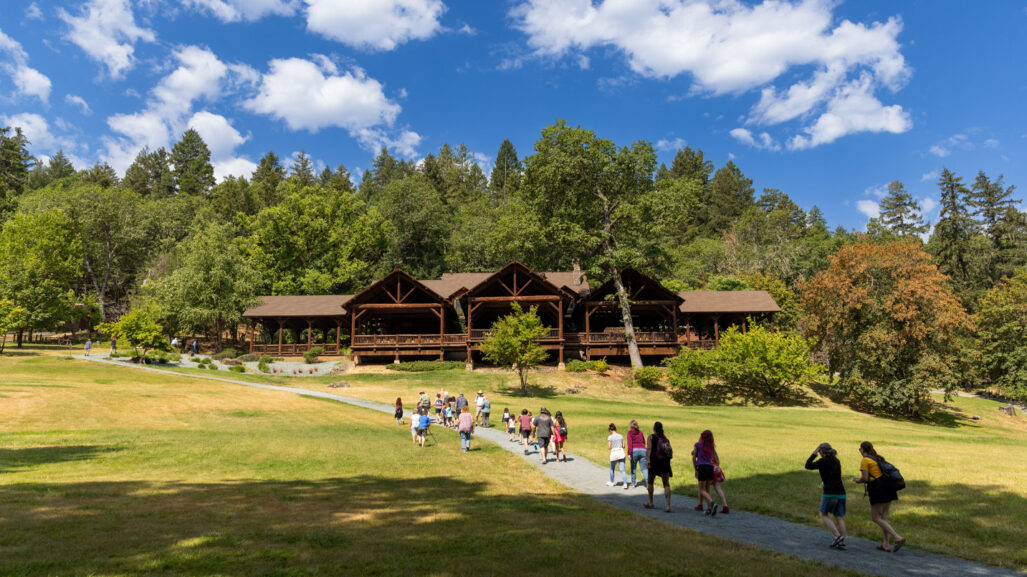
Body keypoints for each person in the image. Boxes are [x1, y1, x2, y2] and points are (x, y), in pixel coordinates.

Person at [854, 441, 905, 552]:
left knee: (875, 518)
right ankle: (886, 544)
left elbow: (865, 478)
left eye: (860, 448)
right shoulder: (878, 458)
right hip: (889, 488)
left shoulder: (865, 460)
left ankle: (898, 538)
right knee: (883, 518)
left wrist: (858, 480)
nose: (859, 450)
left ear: (863, 449)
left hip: (878, 490)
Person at [806, 442, 847, 550]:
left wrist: (814, 453)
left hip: (830, 493)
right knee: (839, 517)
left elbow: (808, 465)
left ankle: (837, 535)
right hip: (841, 492)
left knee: (823, 514)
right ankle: (842, 542)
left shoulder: (823, 461)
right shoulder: (836, 461)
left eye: (819, 451)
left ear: (821, 452)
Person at [644, 421, 673, 512]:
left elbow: (649, 449)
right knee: (666, 483)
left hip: (654, 461)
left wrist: (648, 461)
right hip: (665, 462)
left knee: (650, 481)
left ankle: (650, 502)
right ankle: (668, 506)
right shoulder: (665, 438)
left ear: (654, 429)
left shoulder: (651, 437)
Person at [692, 430, 719, 515]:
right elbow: (714, 458)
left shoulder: (697, 445)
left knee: (701, 490)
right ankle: (709, 509)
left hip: (702, 468)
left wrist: (695, 469)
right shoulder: (711, 446)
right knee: (707, 490)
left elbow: (694, 458)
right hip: (710, 468)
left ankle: (712, 503)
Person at [627, 420, 648, 488]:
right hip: (643, 450)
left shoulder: (629, 433)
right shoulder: (640, 432)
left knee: (633, 468)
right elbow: (644, 442)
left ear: (630, 426)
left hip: (634, 451)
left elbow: (630, 444)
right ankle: (649, 483)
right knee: (643, 468)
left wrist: (629, 453)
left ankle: (633, 483)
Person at [607, 423, 628, 488]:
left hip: (614, 453)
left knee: (612, 469)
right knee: (622, 470)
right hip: (621, 453)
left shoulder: (610, 437)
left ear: (610, 430)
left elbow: (609, 447)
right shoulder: (621, 436)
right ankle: (625, 484)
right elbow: (623, 446)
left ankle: (611, 482)